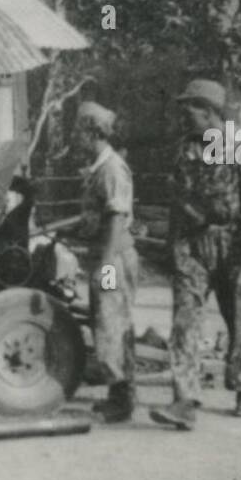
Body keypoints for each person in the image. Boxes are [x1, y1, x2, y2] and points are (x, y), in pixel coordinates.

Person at [150, 79, 241, 431]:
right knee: (184, 323)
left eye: (190, 107)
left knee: (240, 323)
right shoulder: (185, 148)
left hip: (233, 242)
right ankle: (184, 401)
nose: (184, 114)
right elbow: (176, 200)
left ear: (208, 111)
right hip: (192, 246)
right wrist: (173, 249)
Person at [73, 100, 139, 422]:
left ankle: (122, 399)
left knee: (112, 322)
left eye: (79, 131)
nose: (76, 138)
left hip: (114, 255)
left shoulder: (111, 168)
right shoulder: (99, 167)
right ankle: (119, 393)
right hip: (107, 253)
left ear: (92, 132)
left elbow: (116, 216)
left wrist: (107, 264)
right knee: (107, 321)